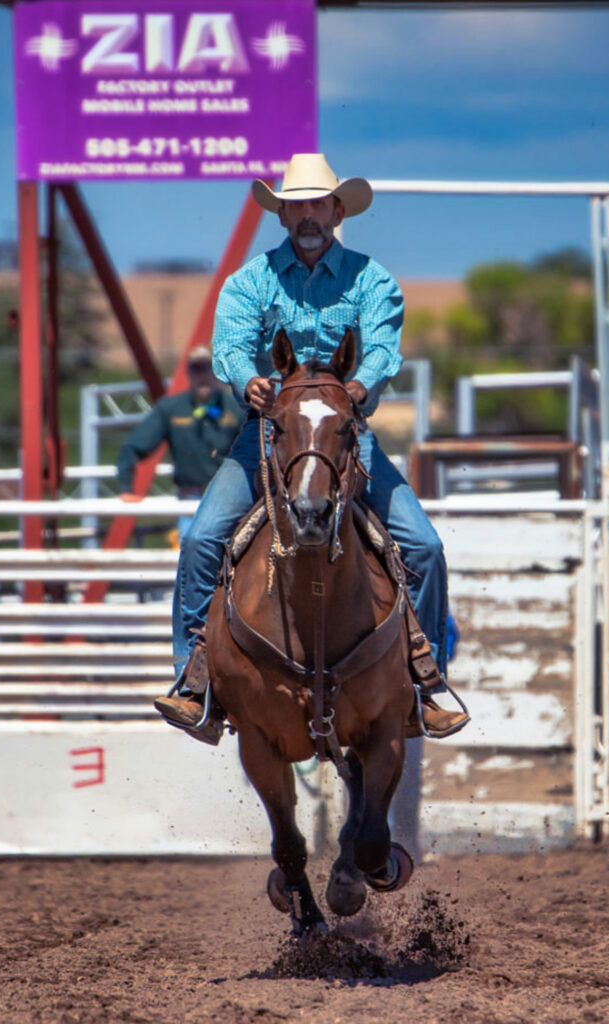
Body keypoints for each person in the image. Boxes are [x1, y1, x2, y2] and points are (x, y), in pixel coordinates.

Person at [155, 153, 468, 742]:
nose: (306, 215)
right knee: (200, 539)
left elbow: (382, 350)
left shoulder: (372, 280)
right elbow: (229, 343)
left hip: (344, 436)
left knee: (423, 546)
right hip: (267, 435)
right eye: (295, 205)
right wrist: (243, 376)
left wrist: (358, 386)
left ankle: (425, 682)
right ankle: (194, 679)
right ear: (282, 215)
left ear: (337, 210)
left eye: (316, 204)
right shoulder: (250, 281)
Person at [116, 345, 244, 537]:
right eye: (196, 368)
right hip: (189, 498)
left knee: (230, 554)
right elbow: (133, 446)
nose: (203, 374)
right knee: (189, 550)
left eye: (208, 367)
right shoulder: (172, 408)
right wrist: (126, 488)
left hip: (227, 497)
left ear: (217, 371)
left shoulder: (235, 408)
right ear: (189, 372)